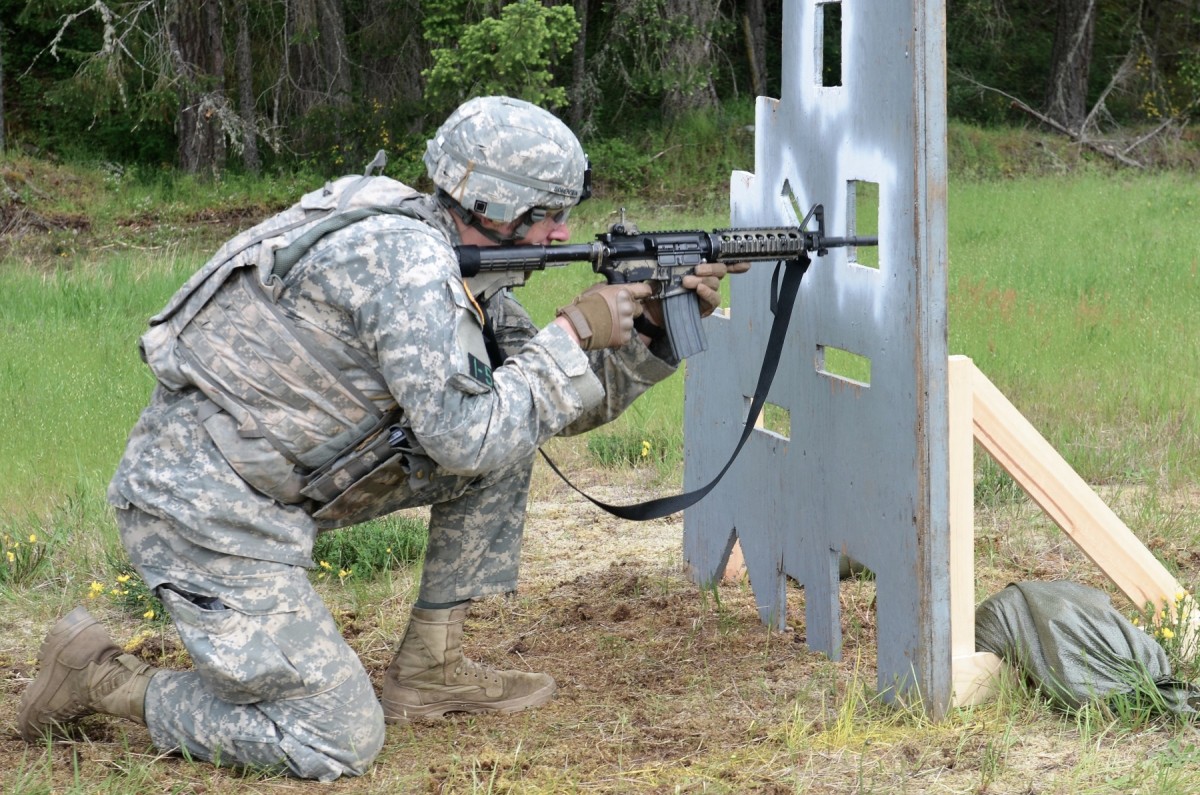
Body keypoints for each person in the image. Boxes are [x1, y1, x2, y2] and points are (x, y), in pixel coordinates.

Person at [18, 96, 739, 781]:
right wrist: (575, 330)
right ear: (492, 206)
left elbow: (538, 405)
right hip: (203, 511)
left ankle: (432, 668)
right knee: (336, 736)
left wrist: (646, 334)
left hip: (278, 485)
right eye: (548, 216)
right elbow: (470, 438)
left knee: (513, 416)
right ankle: (106, 678)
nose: (561, 235)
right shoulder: (406, 267)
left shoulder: (440, 249)